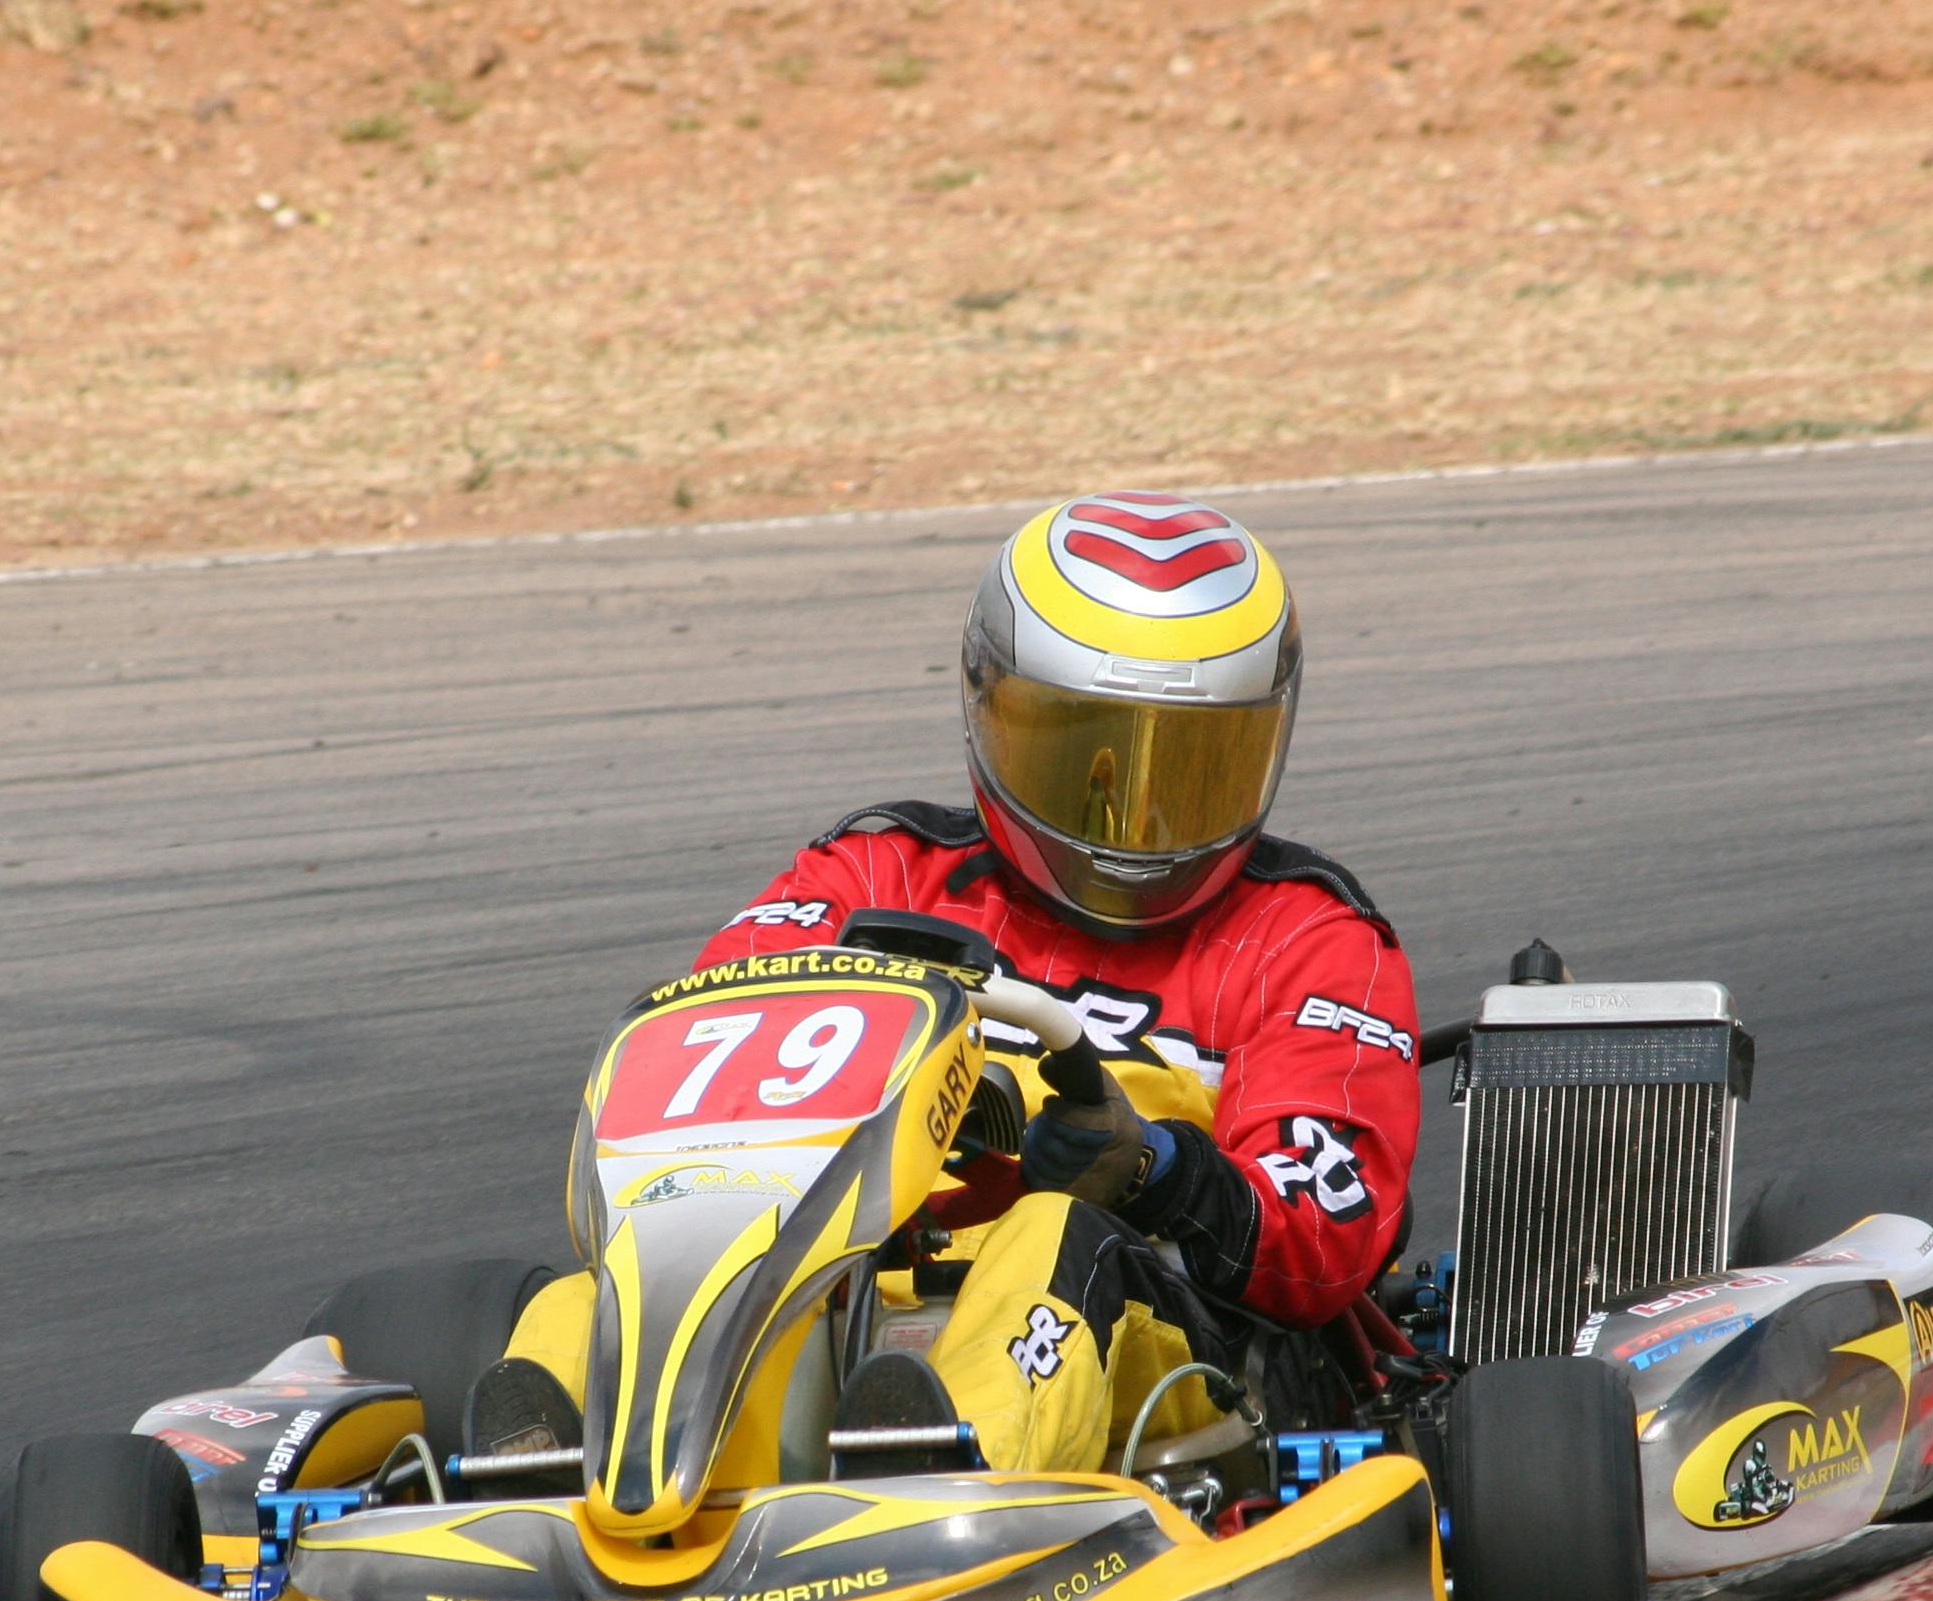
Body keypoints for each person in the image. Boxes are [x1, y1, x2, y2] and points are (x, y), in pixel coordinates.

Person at [478, 491, 1421, 1480]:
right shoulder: (874, 875)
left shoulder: (1311, 939)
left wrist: (1155, 1170)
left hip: (1167, 1354)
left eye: (1189, 766)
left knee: (1054, 1235)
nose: (1131, 814)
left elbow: (1328, 1238)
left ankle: (940, 1480)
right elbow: (694, 1062)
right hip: (843, 1301)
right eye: (1081, 753)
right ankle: (535, 1491)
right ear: (991, 705)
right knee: (597, 1292)